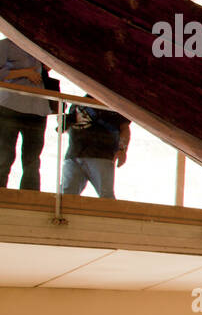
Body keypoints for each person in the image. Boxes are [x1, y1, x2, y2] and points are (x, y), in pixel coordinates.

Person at [0, 39, 59, 190]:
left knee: (32, 158)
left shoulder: (39, 45)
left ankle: (31, 194)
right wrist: (24, 73)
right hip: (10, 106)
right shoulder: (6, 45)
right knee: (4, 154)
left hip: (38, 108)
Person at [60, 97, 130, 199]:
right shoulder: (77, 102)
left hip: (100, 156)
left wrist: (122, 150)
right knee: (66, 196)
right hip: (75, 155)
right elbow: (65, 127)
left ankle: (108, 214)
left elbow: (124, 128)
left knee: (106, 197)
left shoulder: (112, 103)